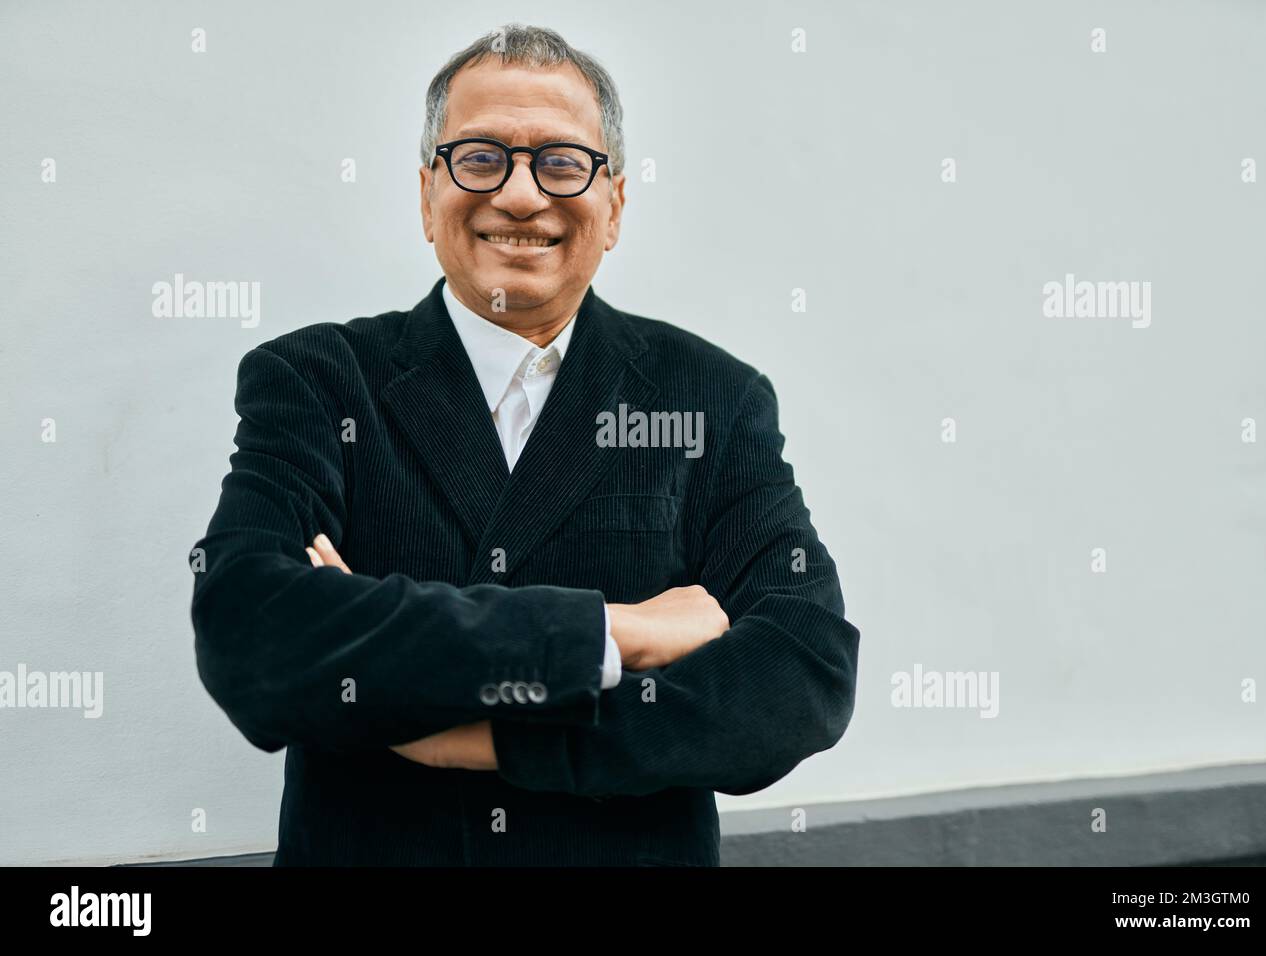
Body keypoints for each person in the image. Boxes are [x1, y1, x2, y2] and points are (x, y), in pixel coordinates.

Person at [191, 23, 859, 866]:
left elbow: (803, 672)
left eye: (561, 163)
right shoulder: (320, 381)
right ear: (428, 193)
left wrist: (497, 740)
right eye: (479, 158)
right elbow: (251, 631)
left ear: (614, 204)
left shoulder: (711, 398)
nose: (518, 195)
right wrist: (612, 634)